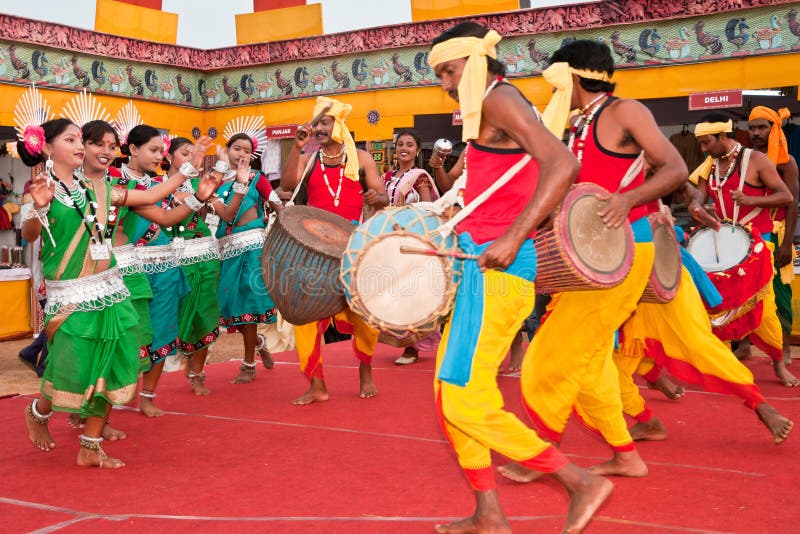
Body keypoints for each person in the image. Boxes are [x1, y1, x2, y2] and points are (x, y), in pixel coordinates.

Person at [427, 24, 612, 534]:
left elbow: (563, 163)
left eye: (448, 70)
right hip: (480, 266)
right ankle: (490, 514)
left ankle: (579, 481)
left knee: (462, 399)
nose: (444, 83)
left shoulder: (498, 98)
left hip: (500, 270)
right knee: (451, 396)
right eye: (439, 74)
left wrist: (511, 236)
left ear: (472, 61)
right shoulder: (487, 104)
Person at [503, 39, 685, 484]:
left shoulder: (625, 111)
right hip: (589, 258)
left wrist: (628, 200)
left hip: (625, 252)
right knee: (591, 362)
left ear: (569, 74)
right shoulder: (575, 123)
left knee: (549, 356)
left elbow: (675, 168)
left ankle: (542, 454)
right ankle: (625, 455)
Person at [20, 110, 215, 468]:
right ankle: (38, 412)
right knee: (73, 369)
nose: (79, 145)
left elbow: (154, 195)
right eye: (71, 140)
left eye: (80, 139)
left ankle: (90, 445)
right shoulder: (41, 191)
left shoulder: (102, 188)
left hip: (112, 289)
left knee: (119, 359)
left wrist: (190, 175)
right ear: (47, 147)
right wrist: (38, 207)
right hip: (71, 296)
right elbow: (30, 237)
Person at [281, 96, 388, 405]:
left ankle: (365, 369)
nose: (318, 128)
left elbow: (381, 196)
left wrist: (375, 197)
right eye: (316, 123)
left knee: (363, 316)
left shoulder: (362, 158)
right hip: (314, 250)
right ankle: (317, 384)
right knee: (305, 317)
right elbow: (288, 184)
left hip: (353, 248)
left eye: (324, 122)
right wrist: (297, 146)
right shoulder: (309, 159)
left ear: (339, 125)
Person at [687, 113, 798, 387]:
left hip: (757, 245)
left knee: (766, 309)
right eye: (701, 144)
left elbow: (787, 197)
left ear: (723, 136)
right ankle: (723, 365)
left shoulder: (756, 160)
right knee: (718, 307)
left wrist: (749, 198)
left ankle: (778, 366)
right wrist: (699, 209)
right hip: (722, 246)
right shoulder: (710, 165)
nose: (703, 149)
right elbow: (697, 200)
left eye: (706, 143)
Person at [210, 119, 282, 386]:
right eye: (237, 149)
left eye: (247, 151)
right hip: (224, 250)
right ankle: (259, 343)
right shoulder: (214, 182)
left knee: (247, 306)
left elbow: (277, 205)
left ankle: (249, 363)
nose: (241, 154)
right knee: (230, 308)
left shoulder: (257, 179)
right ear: (226, 150)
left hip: (253, 247)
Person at [739, 107, 799, 367]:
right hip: (749, 234)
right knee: (743, 291)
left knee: (779, 293)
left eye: (762, 127)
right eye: (752, 128)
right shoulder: (743, 158)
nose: (755, 133)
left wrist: (787, 244)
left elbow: (792, 203)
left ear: (774, 129)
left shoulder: (787, 161)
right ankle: (744, 346)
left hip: (778, 234)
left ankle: (783, 349)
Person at [383, 129, 442, 365]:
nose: (403, 148)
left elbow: (428, 209)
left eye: (409, 145)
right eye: (400, 145)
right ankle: (407, 343)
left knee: (411, 294)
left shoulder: (420, 176)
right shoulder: (389, 176)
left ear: (417, 150)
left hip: (413, 240)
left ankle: (413, 348)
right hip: (391, 240)